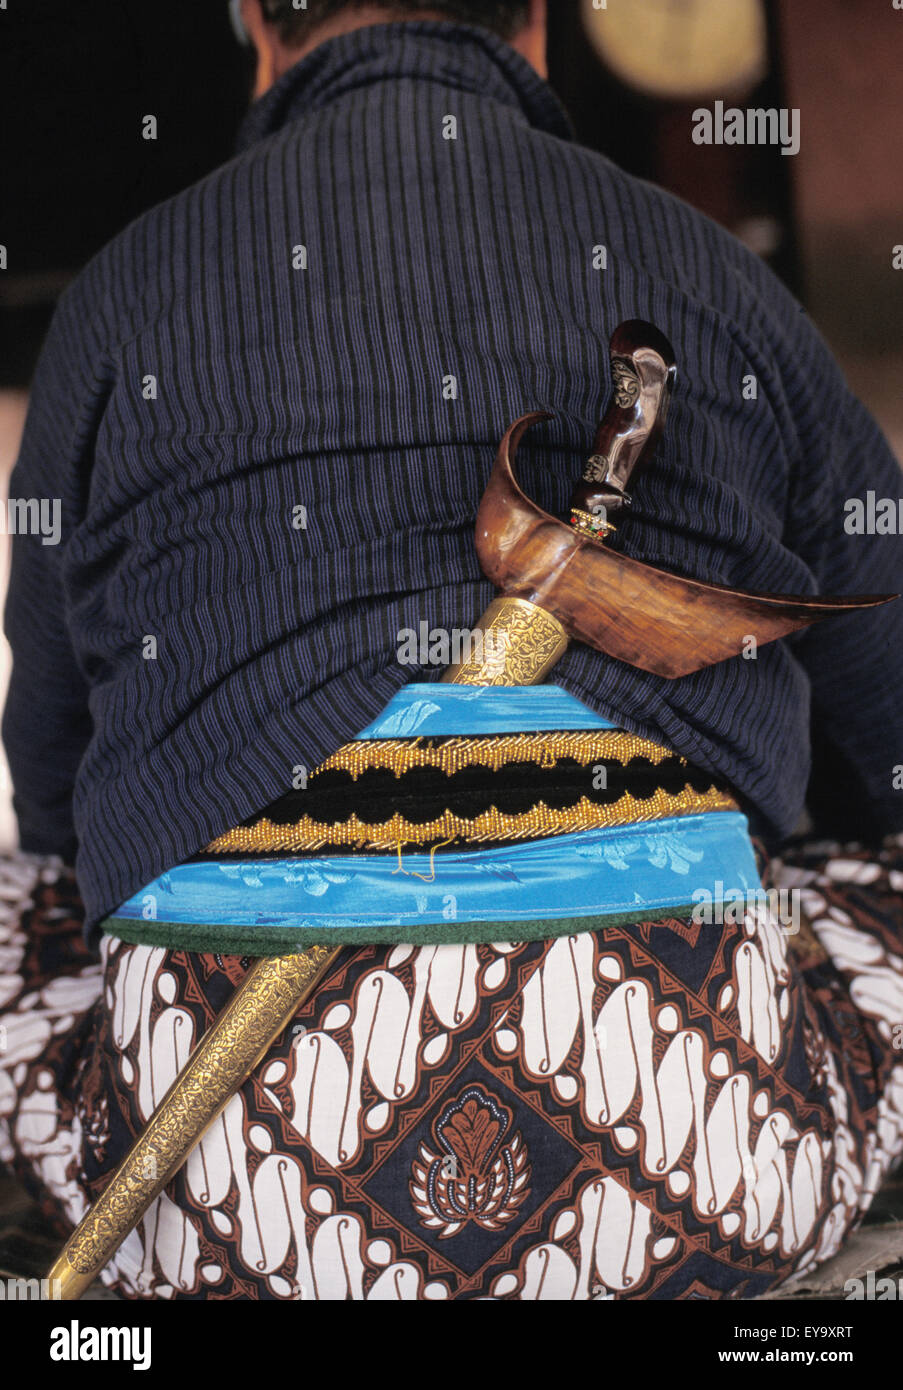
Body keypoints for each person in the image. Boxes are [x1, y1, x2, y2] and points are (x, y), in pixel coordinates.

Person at [1, 0, 902, 1300]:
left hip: (222, 1225)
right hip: (709, 1176)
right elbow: (889, 735)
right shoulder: (711, 273)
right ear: (538, 22)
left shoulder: (118, 297)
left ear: (255, 20)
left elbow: (55, 780)